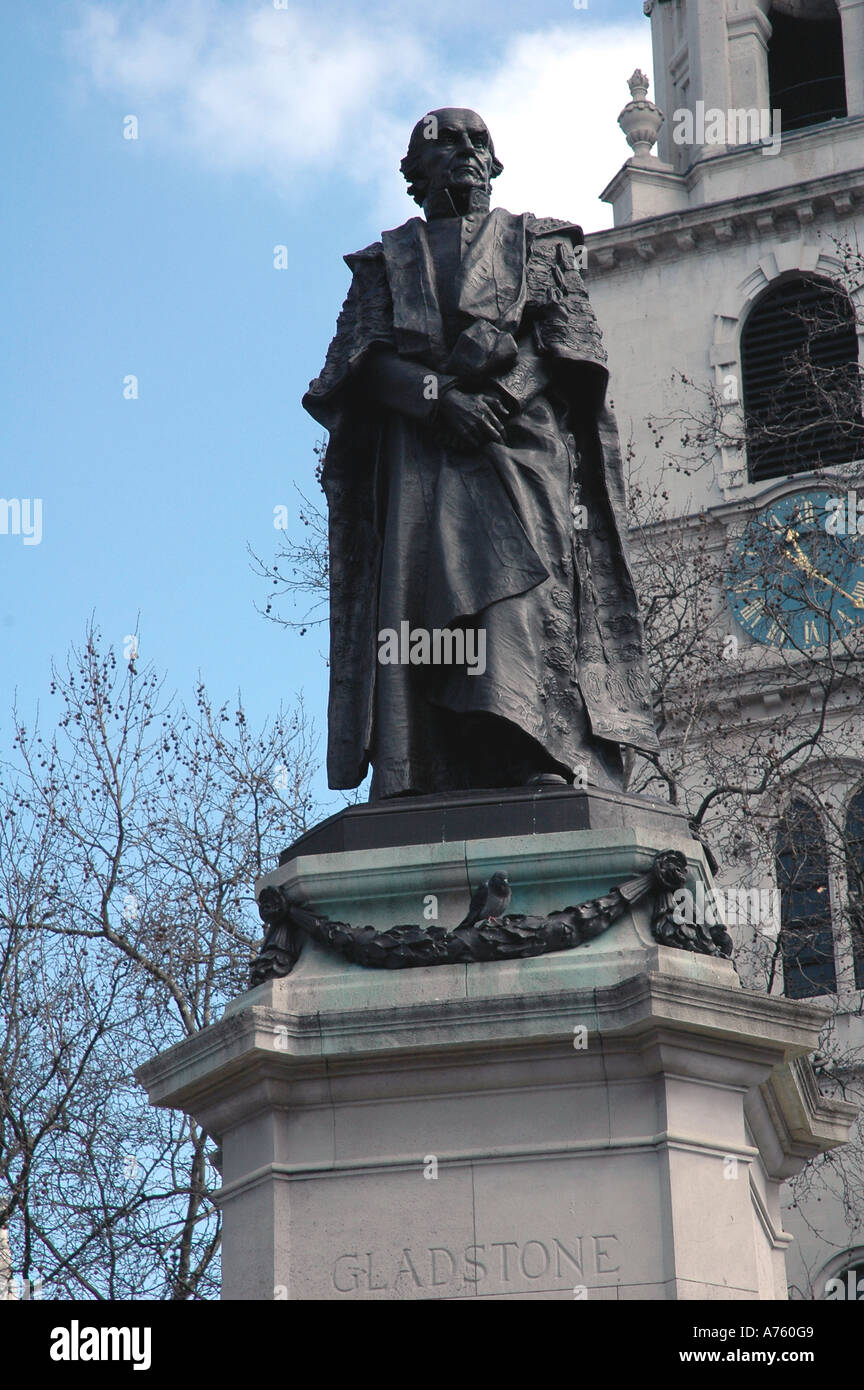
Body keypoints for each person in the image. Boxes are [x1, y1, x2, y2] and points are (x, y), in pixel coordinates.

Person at [303, 108, 658, 799]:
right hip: (420, 457)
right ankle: (422, 767)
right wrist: (438, 400)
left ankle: (530, 750)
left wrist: (502, 397)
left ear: (495, 165)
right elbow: (360, 363)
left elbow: (568, 349)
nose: (465, 151)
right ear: (415, 171)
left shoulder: (540, 243)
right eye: (446, 143)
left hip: (518, 455)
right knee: (415, 605)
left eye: (479, 142)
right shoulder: (384, 262)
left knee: (520, 599)